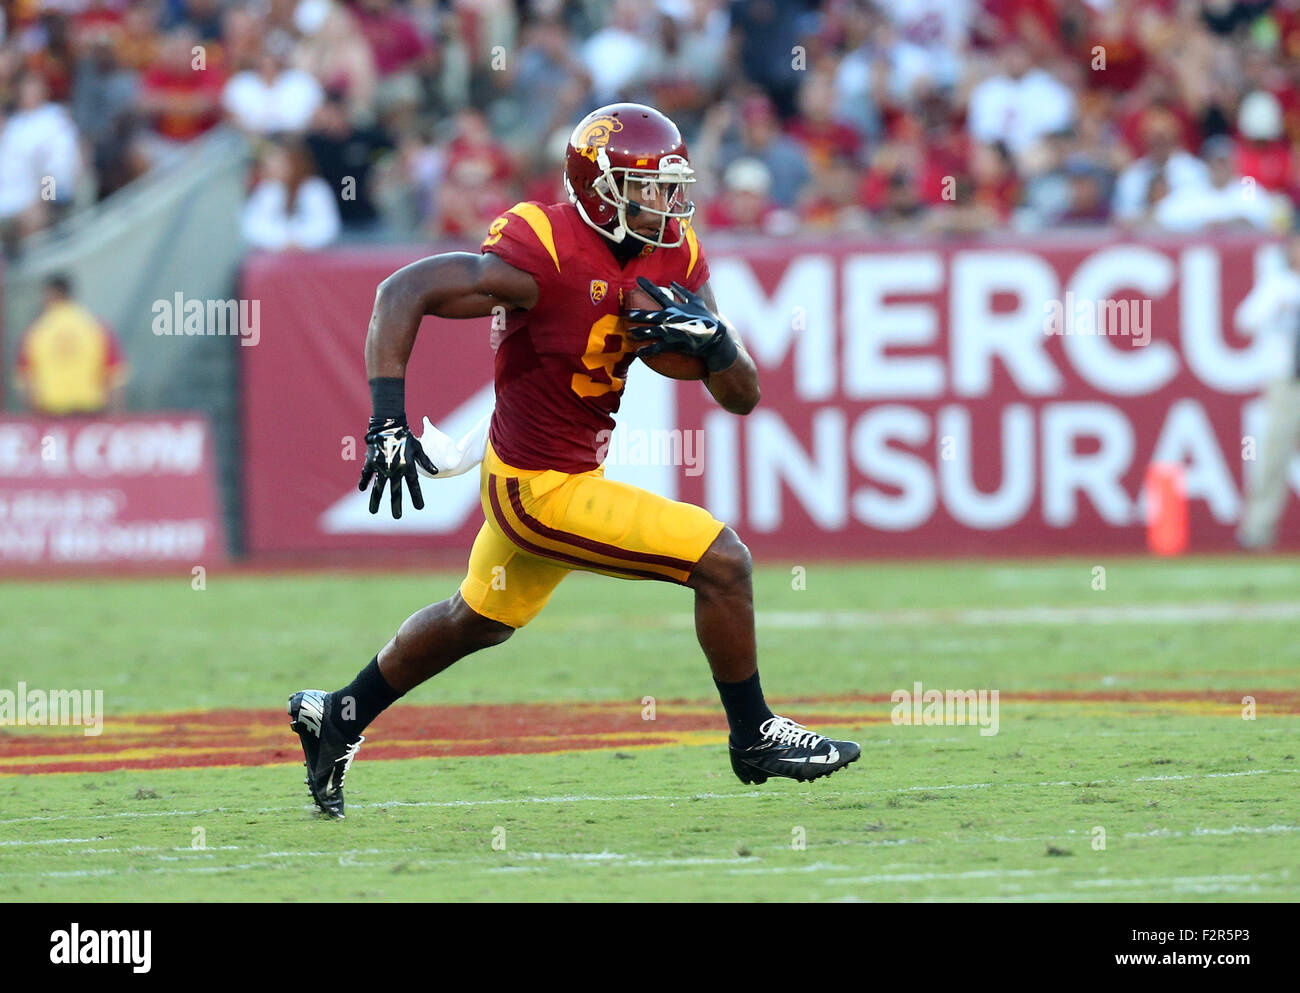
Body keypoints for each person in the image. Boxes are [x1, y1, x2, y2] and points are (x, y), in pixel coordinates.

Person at [287, 103, 861, 818]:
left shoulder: (673, 252)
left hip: (564, 471)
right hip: (536, 486)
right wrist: (386, 422)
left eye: (669, 186)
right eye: (648, 187)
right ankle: (755, 734)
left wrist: (717, 343)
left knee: (479, 619)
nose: (666, 202)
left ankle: (339, 713)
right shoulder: (545, 247)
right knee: (724, 562)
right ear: (601, 190)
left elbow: (741, 395)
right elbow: (402, 290)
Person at [1234, 233, 1300, 550]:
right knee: (1274, 454)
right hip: (1286, 382)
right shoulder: (1278, 285)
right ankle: (1258, 529)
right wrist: (1277, 306)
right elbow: (1244, 320)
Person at [14, 275, 128, 416]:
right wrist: (115, 417)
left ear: (50, 294)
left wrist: (32, 417)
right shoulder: (96, 327)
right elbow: (115, 377)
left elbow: (26, 381)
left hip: (49, 416)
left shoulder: (35, 332)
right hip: (91, 415)